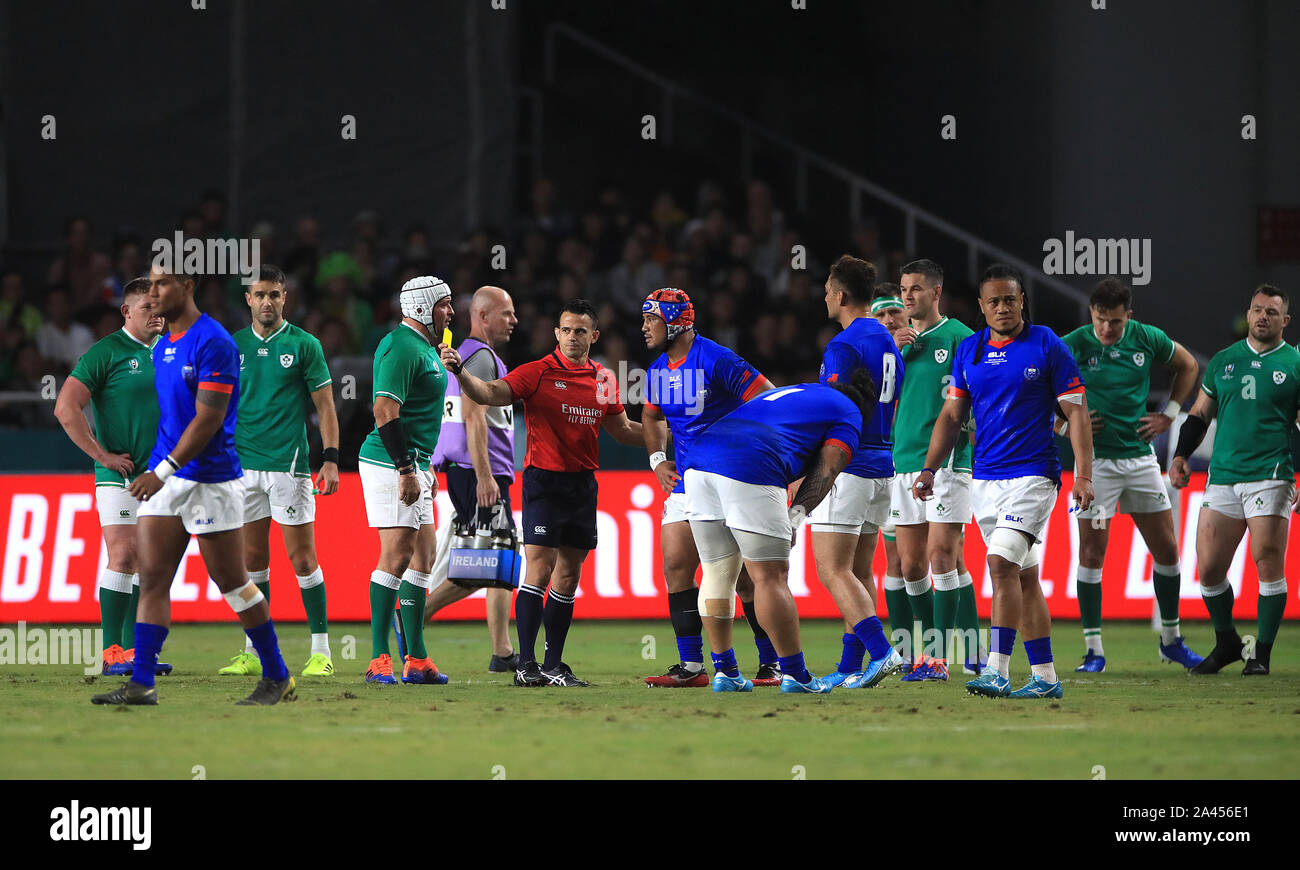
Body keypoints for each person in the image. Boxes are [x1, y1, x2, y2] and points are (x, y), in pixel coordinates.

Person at [92, 266, 294, 706]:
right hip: (166, 481)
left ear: (187, 288)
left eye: (162, 284)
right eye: (150, 284)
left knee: (234, 584)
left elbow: (209, 420)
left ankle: (277, 674)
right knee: (153, 579)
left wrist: (160, 471)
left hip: (211, 481)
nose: (154, 292)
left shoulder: (214, 341)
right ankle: (142, 681)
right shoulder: (163, 343)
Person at [441, 299, 643, 687]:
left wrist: (672, 435)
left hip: (582, 486)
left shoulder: (603, 379)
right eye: (565, 330)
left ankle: (553, 665)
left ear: (593, 336)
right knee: (540, 570)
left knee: (568, 577)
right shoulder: (537, 372)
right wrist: (462, 373)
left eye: (580, 331)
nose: (571, 337)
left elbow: (623, 430)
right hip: (543, 483)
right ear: (556, 333)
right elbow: (487, 393)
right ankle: (525, 665)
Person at [915, 264, 1094, 699]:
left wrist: (1084, 475)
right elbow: (952, 416)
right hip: (985, 480)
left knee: (1000, 565)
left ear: (1021, 302)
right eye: (993, 301)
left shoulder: (1046, 343)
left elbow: (1077, 411)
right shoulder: (970, 351)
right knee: (1025, 579)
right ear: (981, 306)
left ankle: (996, 669)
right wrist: (929, 468)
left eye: (1009, 300)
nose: (1002, 308)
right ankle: (1047, 678)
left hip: (1033, 476)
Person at [684, 372, 900, 693]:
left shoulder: (800, 390)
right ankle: (796, 675)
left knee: (717, 571)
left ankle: (726, 672)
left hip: (699, 458)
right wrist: (796, 516)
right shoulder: (849, 412)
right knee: (770, 577)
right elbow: (828, 468)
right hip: (750, 461)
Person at [637, 288, 781, 687]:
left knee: (745, 577)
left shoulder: (716, 358)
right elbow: (650, 418)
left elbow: (767, 397)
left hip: (730, 479)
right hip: (686, 484)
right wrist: (656, 459)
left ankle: (770, 663)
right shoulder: (657, 371)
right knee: (676, 566)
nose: (644, 327)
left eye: (651, 319)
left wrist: (748, 448)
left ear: (676, 321)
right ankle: (692, 666)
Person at [1060, 278, 1203, 672]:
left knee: (1168, 551)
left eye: (1116, 323)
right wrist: (1064, 424)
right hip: (1096, 467)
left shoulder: (1146, 338)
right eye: (1101, 320)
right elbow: (1034, 383)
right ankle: (1094, 650)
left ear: (1130, 318)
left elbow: (1188, 366)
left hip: (1140, 462)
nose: (1107, 329)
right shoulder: (1073, 343)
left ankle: (1171, 641)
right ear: (1091, 314)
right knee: (1091, 553)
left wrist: (1170, 415)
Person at [1170, 285, 1299, 676]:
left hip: (1271, 475)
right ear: (1249, 314)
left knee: (1267, 560)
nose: (1262, 317)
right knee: (1208, 569)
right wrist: (1179, 456)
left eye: (1271, 312)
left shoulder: (1294, 364)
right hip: (1223, 476)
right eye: (1257, 310)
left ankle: (1260, 654)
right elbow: (1199, 414)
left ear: (1285, 321)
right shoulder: (1226, 361)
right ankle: (1227, 642)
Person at [219, 265, 341, 678]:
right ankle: (254, 652)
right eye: (260, 295)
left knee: (302, 559)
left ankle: (322, 652)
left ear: (284, 298)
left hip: (289, 467)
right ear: (248, 300)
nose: (267, 301)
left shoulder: (305, 345)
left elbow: (325, 406)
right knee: (252, 561)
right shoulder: (232, 346)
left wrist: (330, 457)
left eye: (274, 294)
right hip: (243, 467)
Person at [54, 277, 169, 676]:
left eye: (160, 308)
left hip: (162, 477)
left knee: (148, 564)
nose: (156, 315)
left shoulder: (173, 352)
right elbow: (66, 408)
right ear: (126, 312)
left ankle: (135, 652)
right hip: (118, 474)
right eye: (146, 309)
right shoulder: (106, 353)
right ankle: (111, 651)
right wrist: (101, 454)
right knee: (122, 556)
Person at [812, 257, 909, 690]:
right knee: (858, 569)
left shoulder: (844, 344)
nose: (825, 296)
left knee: (832, 570)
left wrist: (816, 470)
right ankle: (852, 665)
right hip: (882, 467)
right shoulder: (891, 345)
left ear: (842, 295)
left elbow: (833, 412)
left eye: (829, 289)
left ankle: (882, 652)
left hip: (848, 468)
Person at [889, 260, 984, 680]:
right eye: (904, 290)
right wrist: (893, 350)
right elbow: (875, 397)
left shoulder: (962, 337)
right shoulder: (897, 343)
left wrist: (975, 434)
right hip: (902, 460)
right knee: (911, 567)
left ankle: (939, 657)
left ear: (936, 292)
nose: (908, 297)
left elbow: (982, 394)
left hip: (947, 461)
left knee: (942, 555)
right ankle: (947, 648)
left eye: (916, 289)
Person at [357, 276, 454, 685]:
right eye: (443, 305)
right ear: (421, 307)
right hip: (391, 462)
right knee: (396, 555)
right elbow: (384, 410)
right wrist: (405, 468)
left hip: (419, 463)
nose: (450, 312)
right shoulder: (399, 346)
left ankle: (416, 659)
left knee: (424, 555)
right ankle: (379, 657)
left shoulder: (425, 349)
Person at [422, 286, 521, 672]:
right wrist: (484, 476)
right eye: (507, 313)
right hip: (480, 472)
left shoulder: (464, 355)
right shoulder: (479, 358)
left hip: (473, 470)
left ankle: (502, 652)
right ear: (483, 316)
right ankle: (412, 617)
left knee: (498, 560)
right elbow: (473, 415)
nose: (514, 320)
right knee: (486, 562)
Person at [868, 287, 913, 667]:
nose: (888, 321)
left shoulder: (931, 350)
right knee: (896, 561)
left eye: (894, 313)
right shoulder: (876, 356)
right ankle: (907, 648)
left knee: (945, 557)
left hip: (935, 466)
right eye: (880, 316)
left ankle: (958, 650)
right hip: (890, 467)